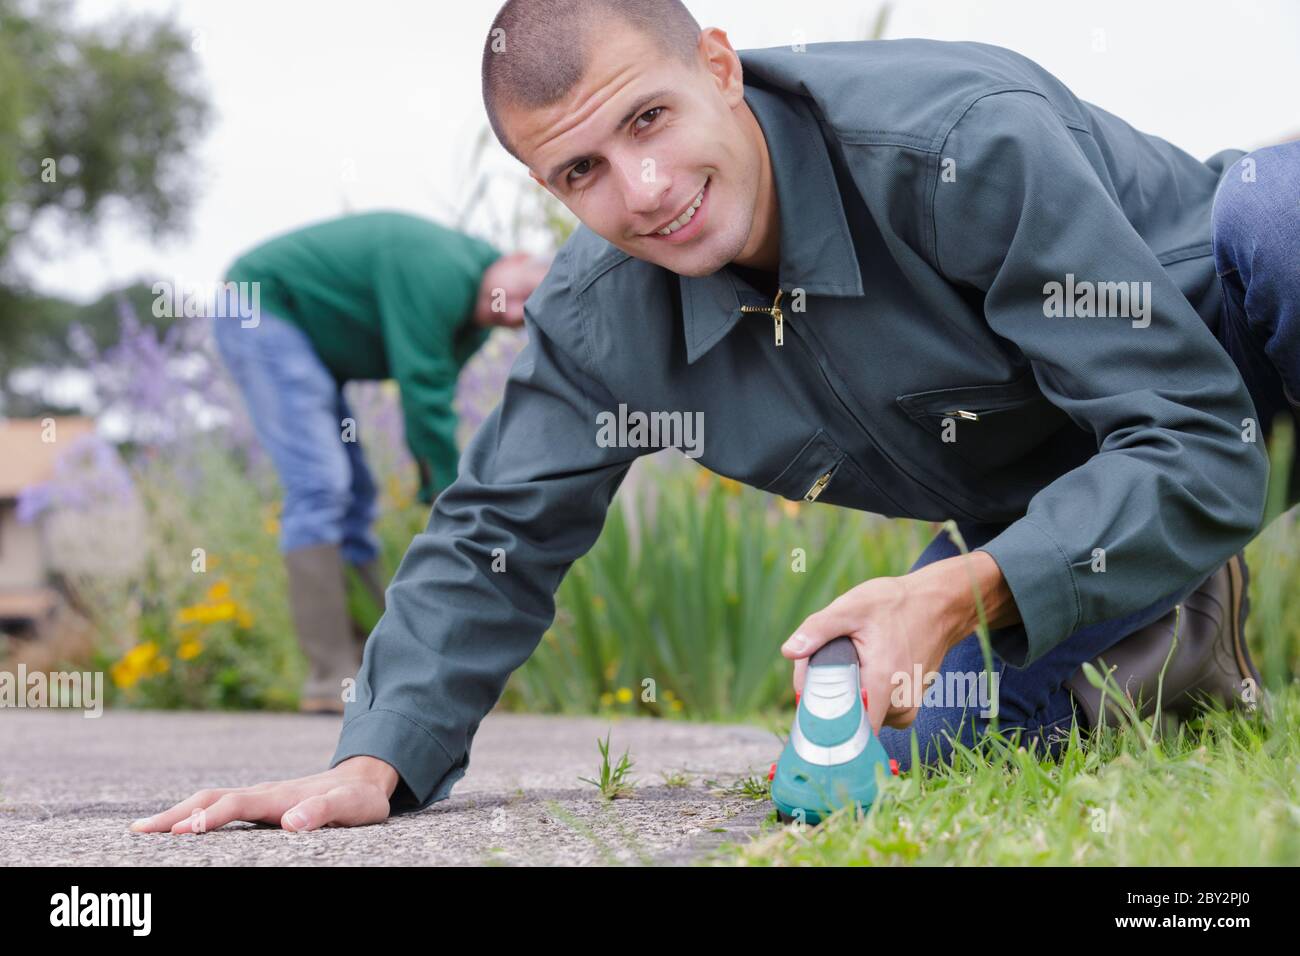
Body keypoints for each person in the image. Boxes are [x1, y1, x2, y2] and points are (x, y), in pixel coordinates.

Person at [134, 1, 1295, 835]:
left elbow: (1196, 438)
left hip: (1229, 365)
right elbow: (493, 535)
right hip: (1047, 501)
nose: (640, 191)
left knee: (1286, 219)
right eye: (580, 171)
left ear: (722, 67)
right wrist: (374, 758)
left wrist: (955, 590)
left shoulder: (955, 141)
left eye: (648, 118)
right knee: (939, 743)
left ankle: (1145, 566)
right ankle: (1171, 604)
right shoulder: (597, 321)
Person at [209, 210, 549, 713]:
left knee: (356, 495)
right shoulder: (442, 269)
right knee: (320, 485)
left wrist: (444, 488)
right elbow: (422, 391)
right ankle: (330, 676)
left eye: (528, 315)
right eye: (526, 290)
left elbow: (435, 396)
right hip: (262, 307)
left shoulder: (470, 321)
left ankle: (375, 672)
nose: (516, 312)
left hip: (311, 343)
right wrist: (450, 496)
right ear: (515, 258)